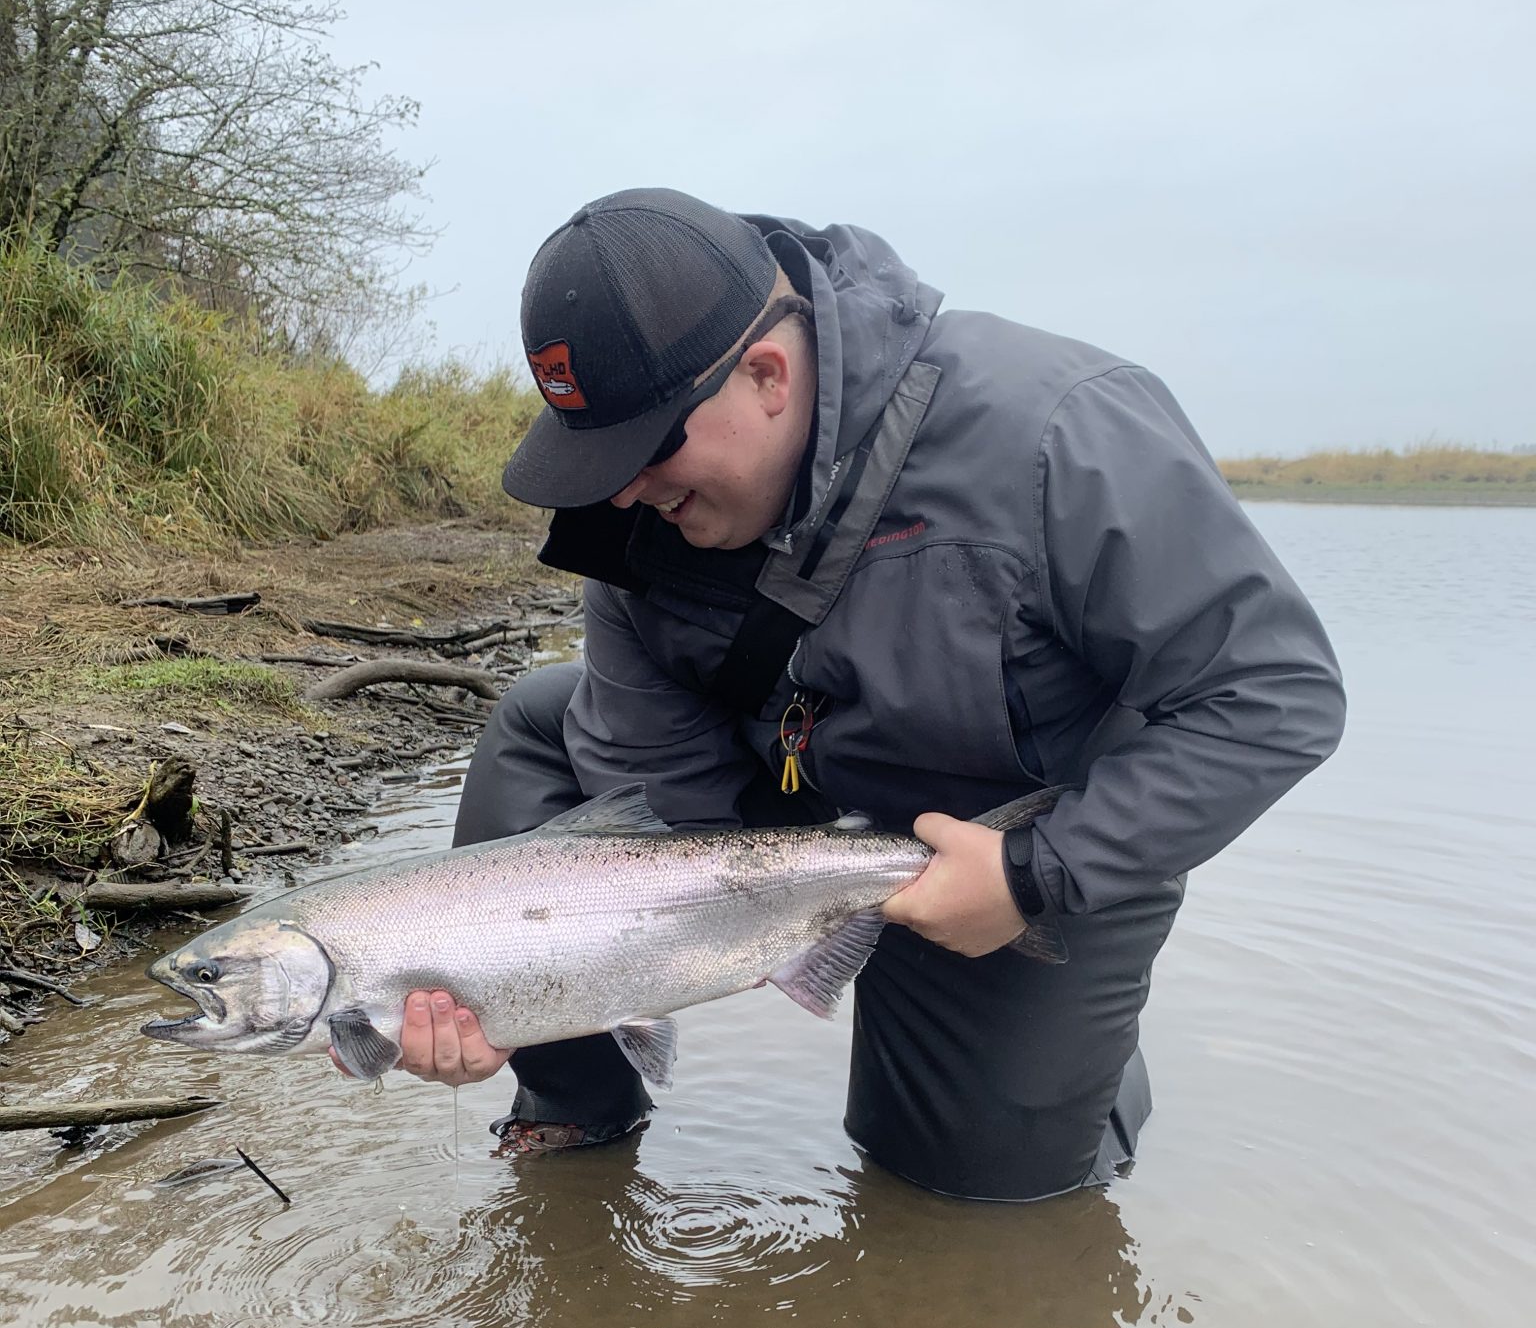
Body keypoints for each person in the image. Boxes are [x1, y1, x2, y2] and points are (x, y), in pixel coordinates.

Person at [385, 188, 1345, 1202]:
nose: (624, 491)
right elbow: (658, 821)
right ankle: (580, 1102)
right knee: (542, 724)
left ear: (767, 374)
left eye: (647, 450)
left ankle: (1068, 1037)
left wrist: (1036, 871)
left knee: (976, 1198)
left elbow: (1275, 691)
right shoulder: (632, 519)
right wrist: (520, 994)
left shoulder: (1060, 427)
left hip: (1011, 832)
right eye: (598, 457)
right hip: (787, 795)